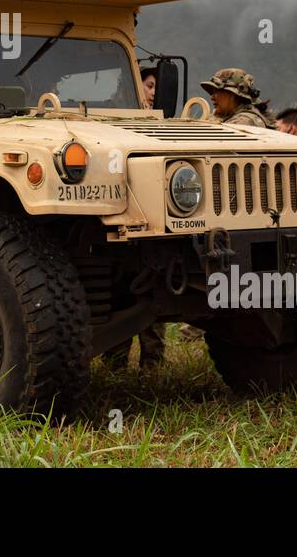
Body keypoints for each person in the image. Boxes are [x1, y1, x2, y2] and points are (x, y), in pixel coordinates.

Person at [104, 66, 167, 371]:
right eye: (148, 85)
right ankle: (116, 361)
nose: (153, 92)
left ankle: (151, 363)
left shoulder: (160, 121)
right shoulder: (110, 115)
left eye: (157, 86)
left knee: (148, 292)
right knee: (120, 293)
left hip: (152, 220)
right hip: (118, 218)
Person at [200, 68, 273, 128]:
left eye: (217, 92)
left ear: (233, 94)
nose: (212, 97)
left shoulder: (244, 122)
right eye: (213, 92)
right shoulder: (226, 117)